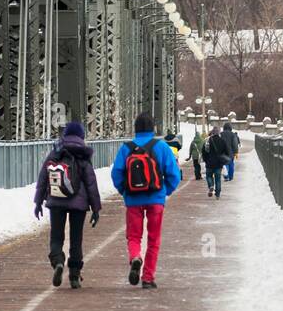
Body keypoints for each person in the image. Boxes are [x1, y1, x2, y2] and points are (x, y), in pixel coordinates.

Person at [110, 111, 181, 289]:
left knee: (134, 236)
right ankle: (148, 278)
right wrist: (165, 192)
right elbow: (174, 174)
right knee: (153, 238)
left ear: (135, 129)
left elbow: (116, 174)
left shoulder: (126, 148)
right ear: (152, 128)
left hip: (133, 200)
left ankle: (135, 257)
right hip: (155, 198)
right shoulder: (162, 147)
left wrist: (125, 191)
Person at [32, 121, 101, 289]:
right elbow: (91, 183)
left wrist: (38, 201)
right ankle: (74, 275)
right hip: (79, 203)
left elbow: (43, 178)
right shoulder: (83, 155)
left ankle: (58, 262)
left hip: (56, 200)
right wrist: (96, 208)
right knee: (76, 239)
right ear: (81, 136)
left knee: (56, 236)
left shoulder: (55, 152)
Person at [202, 126, 230, 199]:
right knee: (218, 179)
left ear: (212, 132)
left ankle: (211, 185)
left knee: (208, 176)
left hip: (209, 163)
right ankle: (217, 194)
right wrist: (223, 159)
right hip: (219, 164)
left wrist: (206, 160)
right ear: (219, 132)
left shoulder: (207, 141)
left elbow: (203, 152)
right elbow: (227, 152)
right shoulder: (222, 141)